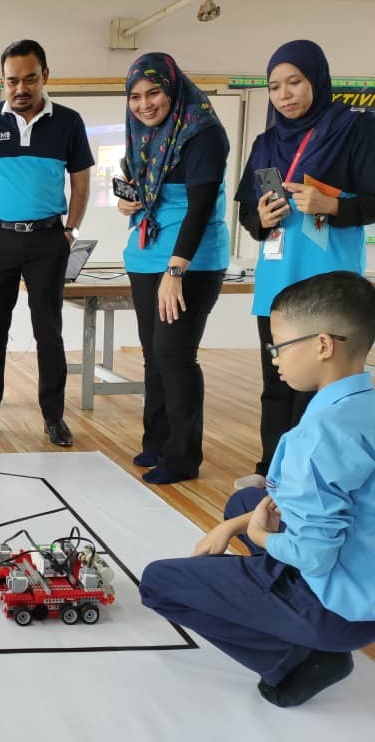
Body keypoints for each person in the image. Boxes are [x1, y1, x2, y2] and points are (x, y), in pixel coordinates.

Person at [140, 271, 375, 708]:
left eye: (279, 346)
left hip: (339, 611)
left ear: (323, 345)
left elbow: (314, 553)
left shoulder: (320, 435)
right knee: (245, 502)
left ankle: (299, 659)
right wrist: (232, 525)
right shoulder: (364, 404)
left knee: (158, 582)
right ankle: (293, 614)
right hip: (367, 581)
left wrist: (261, 537)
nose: (275, 360)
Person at [233, 39, 375, 489]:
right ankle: (271, 472)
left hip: (329, 285)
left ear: (317, 79)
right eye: (274, 86)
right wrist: (261, 218)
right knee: (277, 381)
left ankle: (318, 476)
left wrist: (331, 204)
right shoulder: (266, 141)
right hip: (277, 280)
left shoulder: (356, 129)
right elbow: (245, 212)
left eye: (294, 82)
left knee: (325, 386)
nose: (284, 95)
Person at [0, 39, 93, 446]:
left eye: (30, 79)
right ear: (3, 81)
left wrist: (71, 229)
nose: (21, 89)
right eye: (12, 81)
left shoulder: (68, 122)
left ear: (45, 76)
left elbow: (81, 182)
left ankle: (53, 418)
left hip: (49, 240)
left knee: (49, 332)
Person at [116, 53, 230, 485]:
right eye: (135, 96)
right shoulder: (145, 135)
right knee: (152, 354)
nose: (145, 104)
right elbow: (149, 189)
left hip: (191, 261)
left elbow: (200, 208)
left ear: (173, 89)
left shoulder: (203, 133)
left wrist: (176, 270)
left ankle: (183, 457)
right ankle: (158, 442)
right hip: (146, 256)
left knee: (175, 354)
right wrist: (133, 201)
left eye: (154, 93)